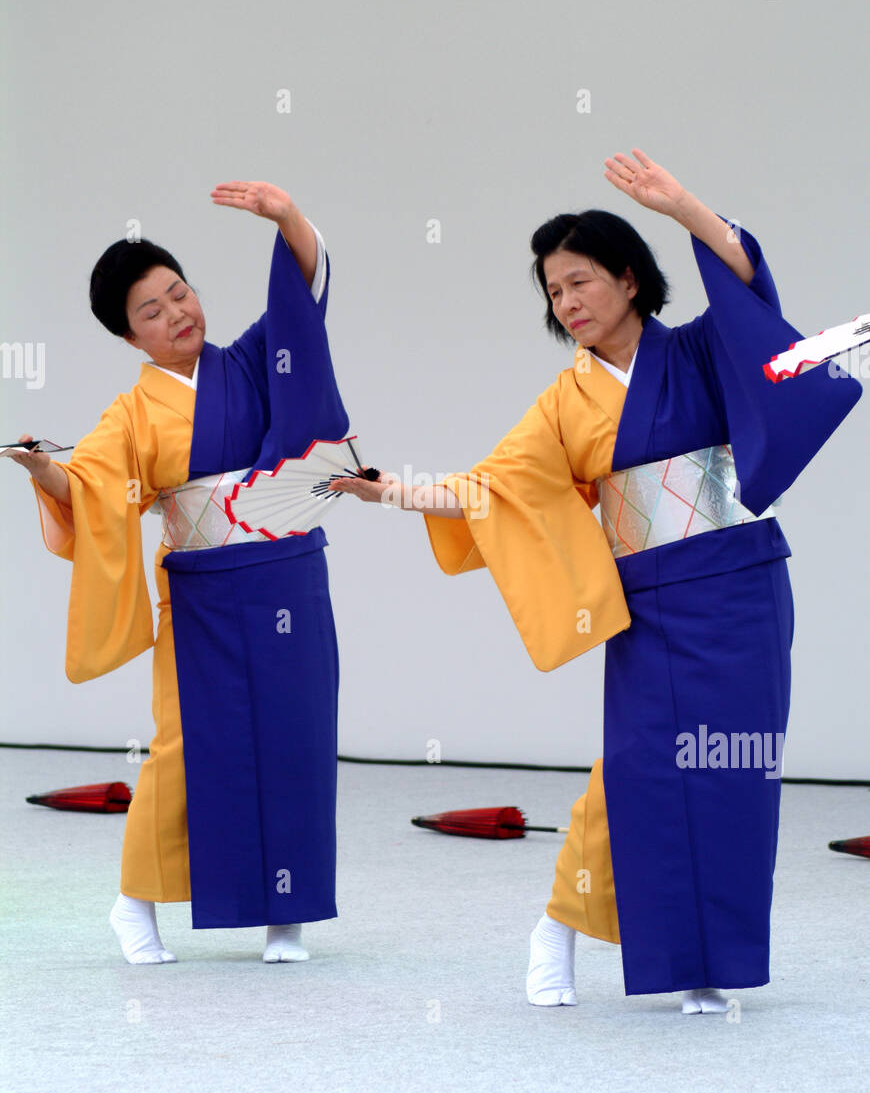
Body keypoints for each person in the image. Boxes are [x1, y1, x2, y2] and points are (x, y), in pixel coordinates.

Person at [330, 149, 862, 1013]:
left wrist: (681, 204)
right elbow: (491, 487)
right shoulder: (563, 404)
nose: (567, 302)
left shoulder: (697, 351)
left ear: (628, 278)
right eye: (553, 292)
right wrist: (389, 490)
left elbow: (746, 287)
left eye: (580, 281)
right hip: (647, 604)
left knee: (732, 777)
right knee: (641, 775)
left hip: (740, 584)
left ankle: (704, 967)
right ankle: (565, 924)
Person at [10, 181, 349, 964]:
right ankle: (135, 903)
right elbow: (92, 487)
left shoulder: (262, 359)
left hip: (288, 569)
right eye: (151, 314)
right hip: (202, 591)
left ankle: (284, 916)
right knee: (187, 746)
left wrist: (287, 218)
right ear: (130, 340)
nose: (176, 315)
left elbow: (305, 295)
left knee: (296, 736)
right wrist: (41, 469)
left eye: (179, 293)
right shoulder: (131, 414)